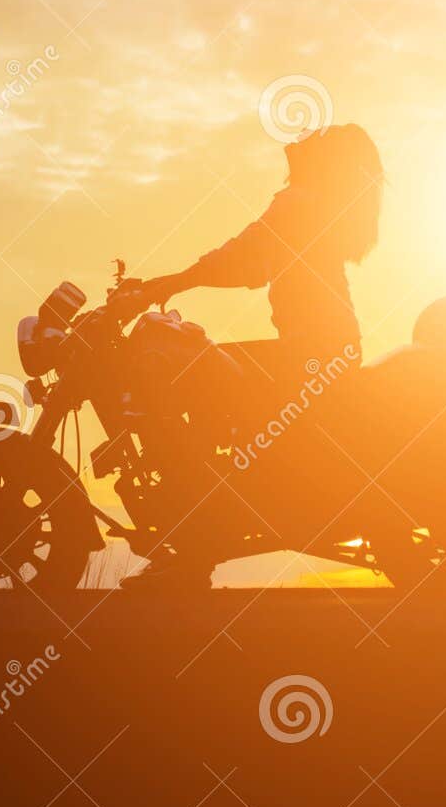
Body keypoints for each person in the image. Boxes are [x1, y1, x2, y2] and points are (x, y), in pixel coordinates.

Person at [123, 123, 385, 589]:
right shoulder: (315, 203)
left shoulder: (303, 204)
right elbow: (251, 259)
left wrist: (168, 284)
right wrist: (170, 282)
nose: (294, 148)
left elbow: (245, 256)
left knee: (202, 381)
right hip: (322, 348)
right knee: (210, 377)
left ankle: (200, 539)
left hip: (315, 353)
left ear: (320, 162)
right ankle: (200, 529)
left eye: (309, 144)